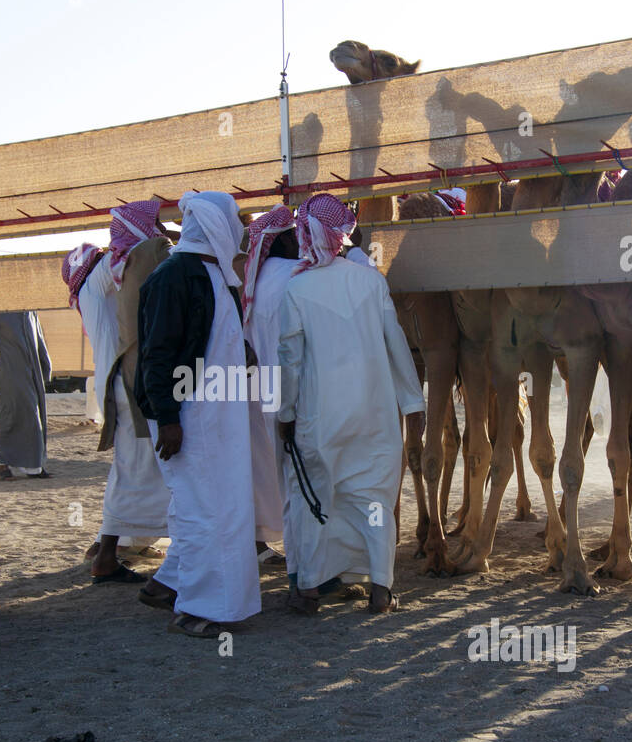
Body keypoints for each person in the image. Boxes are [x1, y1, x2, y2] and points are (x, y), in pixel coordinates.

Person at [277, 194, 425, 616]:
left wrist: (285, 415)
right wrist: (412, 403)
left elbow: (290, 361)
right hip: (375, 414)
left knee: (316, 499)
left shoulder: (297, 288)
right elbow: (396, 344)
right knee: (374, 500)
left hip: (319, 416)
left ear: (307, 235)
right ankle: (381, 589)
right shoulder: (370, 280)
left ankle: (307, 590)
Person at [134, 191, 261, 638]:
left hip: (220, 413)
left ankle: (169, 584)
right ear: (215, 226)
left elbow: (220, 337)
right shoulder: (174, 275)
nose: (242, 230)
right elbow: (158, 354)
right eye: (235, 221)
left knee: (219, 505)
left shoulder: (217, 275)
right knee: (203, 508)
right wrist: (168, 418)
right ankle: (201, 609)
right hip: (188, 416)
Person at [64, 238, 169, 584]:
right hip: (126, 387)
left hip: (122, 385)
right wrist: (144, 238)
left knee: (140, 469)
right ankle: (105, 552)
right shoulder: (96, 283)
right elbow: (131, 251)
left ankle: (122, 545)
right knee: (133, 471)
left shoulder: (93, 293)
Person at [241, 204, 298, 570]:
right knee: (296, 475)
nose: (300, 240)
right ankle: (301, 556)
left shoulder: (254, 281)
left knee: (263, 467)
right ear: (282, 241)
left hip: (260, 390)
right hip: (295, 390)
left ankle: (259, 542)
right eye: (294, 235)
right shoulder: (297, 273)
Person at [0, 310, 52, 478]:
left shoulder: (30, 310)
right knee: (10, 416)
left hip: (32, 372)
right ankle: (4, 463)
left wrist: (46, 368)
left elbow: (39, 340)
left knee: (34, 415)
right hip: (8, 372)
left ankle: (33, 465)